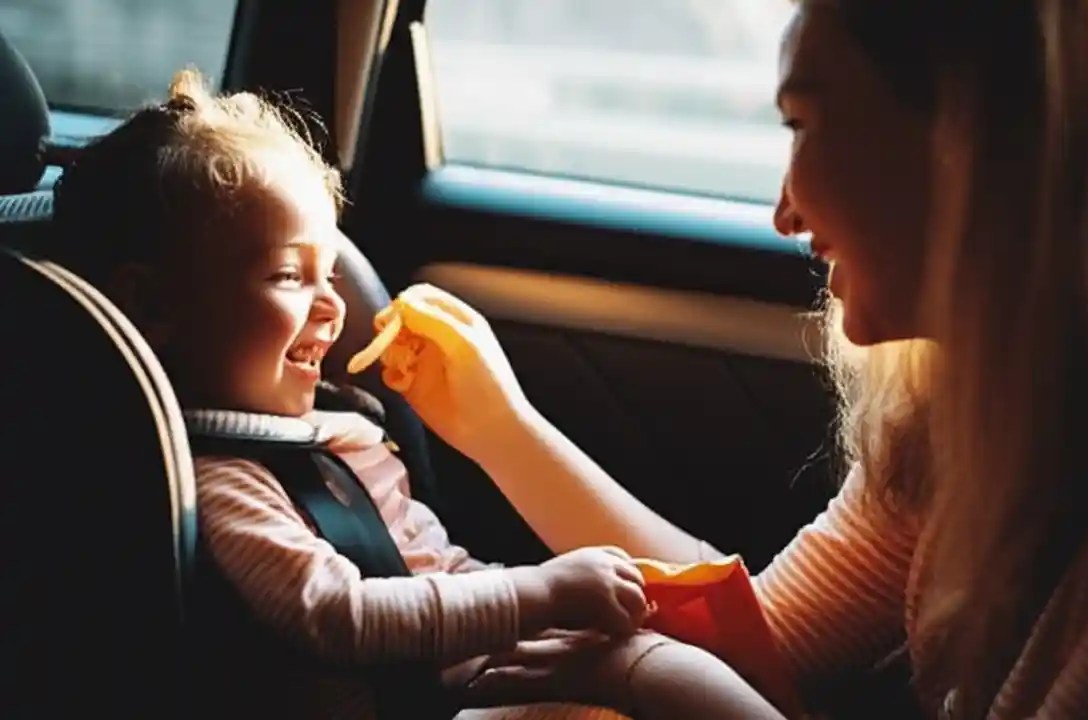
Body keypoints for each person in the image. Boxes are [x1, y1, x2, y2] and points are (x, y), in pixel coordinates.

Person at [362, 2, 1088, 718]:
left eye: (801, 125)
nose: (785, 212)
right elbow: (761, 641)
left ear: (968, 135)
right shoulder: (974, 394)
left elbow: (706, 670)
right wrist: (500, 427)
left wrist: (648, 674)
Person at [50, 69, 785, 720]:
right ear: (156, 306)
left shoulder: (331, 430)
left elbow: (433, 567)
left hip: (476, 672)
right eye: (286, 276)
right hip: (436, 700)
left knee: (664, 660)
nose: (332, 307)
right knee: (665, 673)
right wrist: (542, 594)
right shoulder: (220, 483)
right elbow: (339, 615)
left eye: (328, 273)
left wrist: (538, 609)